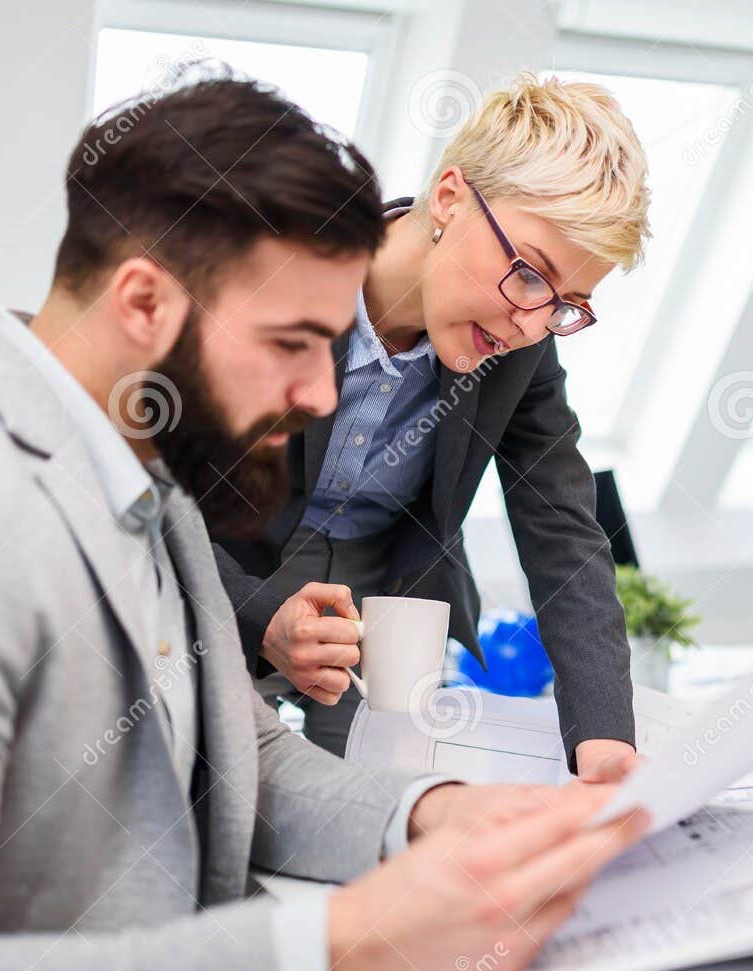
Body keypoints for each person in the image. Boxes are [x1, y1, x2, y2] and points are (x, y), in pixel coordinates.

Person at [0, 72, 647, 971]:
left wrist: (436, 814)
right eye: (292, 342)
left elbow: (246, 756)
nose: (325, 392)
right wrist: (334, 955)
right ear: (145, 303)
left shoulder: (148, 484)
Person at [211, 74, 648, 778]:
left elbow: (561, 524)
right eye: (530, 274)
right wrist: (260, 615)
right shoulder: (277, 270)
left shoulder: (523, 348)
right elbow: (150, 495)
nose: (532, 324)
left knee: (374, 813)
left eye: (566, 303)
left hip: (390, 602)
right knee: (215, 790)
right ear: (449, 198)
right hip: (227, 569)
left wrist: (605, 738)